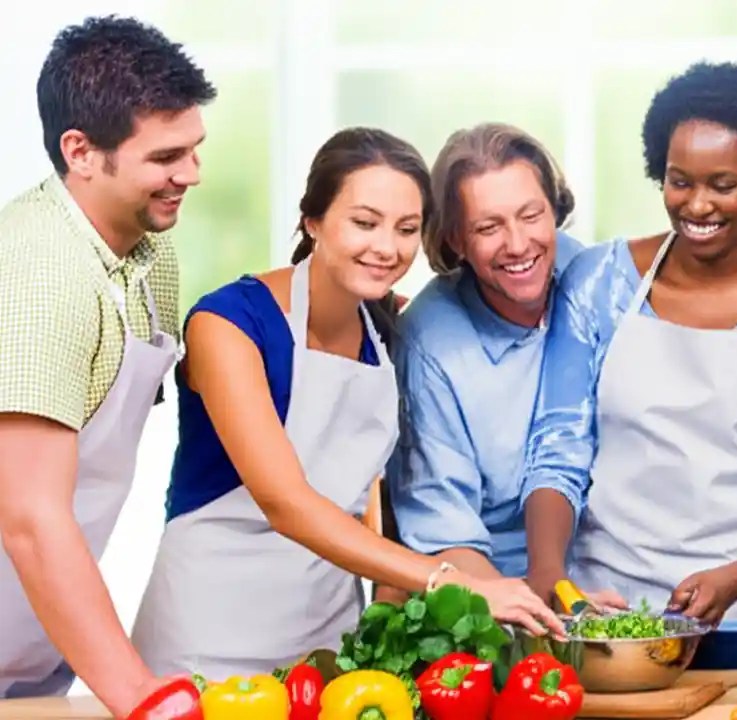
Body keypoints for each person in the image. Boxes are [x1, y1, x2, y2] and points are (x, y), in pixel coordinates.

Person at [130, 127, 562, 680]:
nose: (386, 247)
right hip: (207, 638)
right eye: (365, 222)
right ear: (312, 220)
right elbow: (286, 502)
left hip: (327, 643)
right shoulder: (228, 324)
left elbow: (371, 503)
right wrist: (451, 581)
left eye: (406, 229)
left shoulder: (389, 328)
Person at [521, 61, 737, 627]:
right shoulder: (599, 282)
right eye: (680, 181)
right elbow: (558, 451)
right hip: (608, 613)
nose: (697, 205)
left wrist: (733, 580)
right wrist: (550, 574)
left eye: (722, 185)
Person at [0, 16, 214, 715]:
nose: (191, 174)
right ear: (81, 152)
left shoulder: (151, 258)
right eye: (165, 157)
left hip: (36, 644)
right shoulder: (38, 271)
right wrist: (140, 696)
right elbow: (29, 516)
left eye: (194, 149)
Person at [378, 123, 587, 585]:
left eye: (531, 216)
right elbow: (445, 538)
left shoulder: (592, 281)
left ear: (554, 209)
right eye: (488, 227)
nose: (518, 244)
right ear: (456, 240)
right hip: (508, 592)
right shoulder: (429, 345)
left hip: (626, 579)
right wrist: (536, 608)